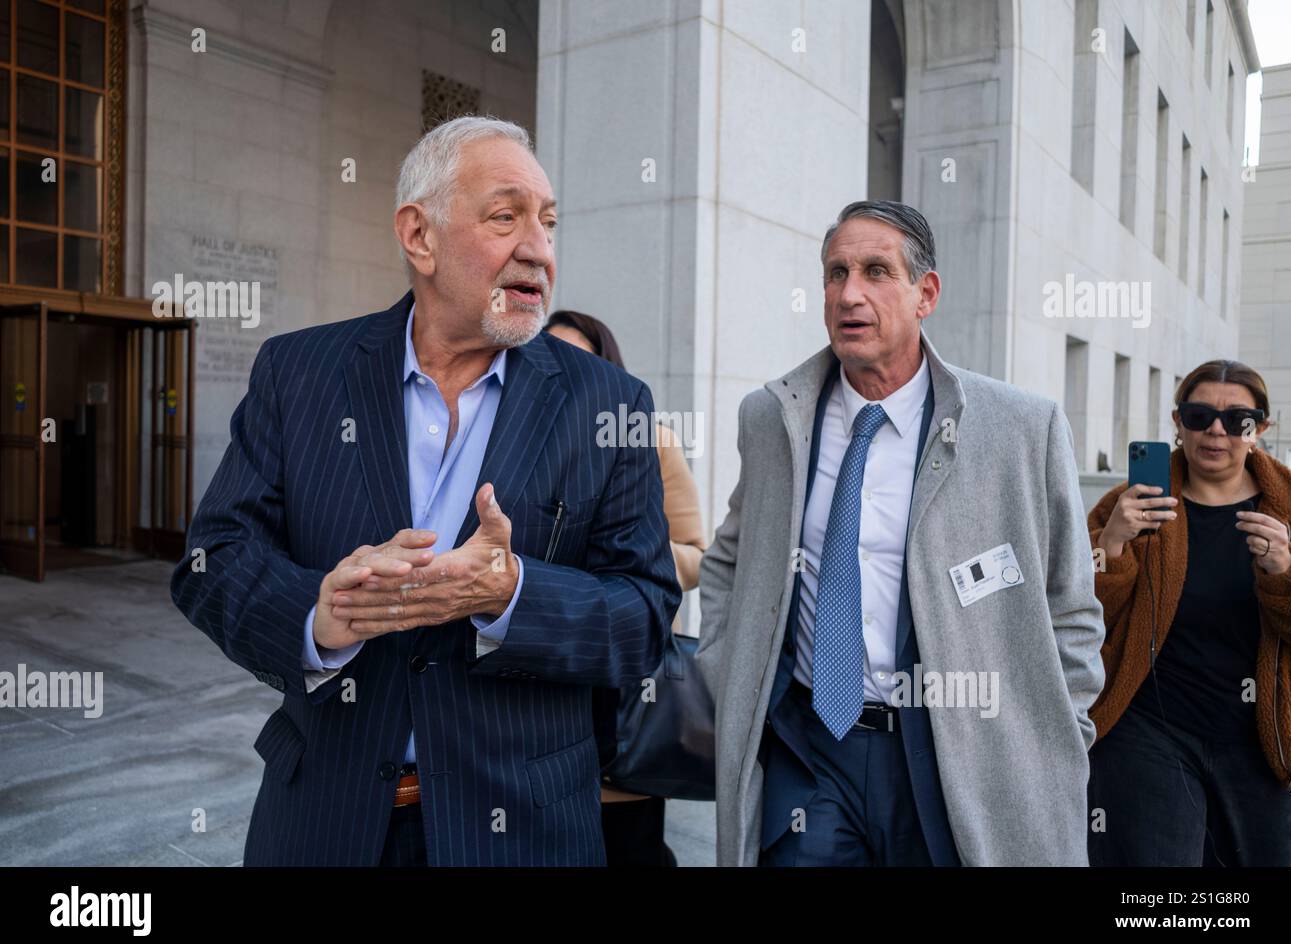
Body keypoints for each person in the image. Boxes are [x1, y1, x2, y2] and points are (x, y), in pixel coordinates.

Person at [170, 116, 680, 867]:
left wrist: (508, 592)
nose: (538, 247)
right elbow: (213, 560)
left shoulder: (610, 403)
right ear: (420, 236)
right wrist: (322, 613)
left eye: (548, 222)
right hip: (325, 824)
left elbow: (644, 617)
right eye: (506, 217)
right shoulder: (299, 373)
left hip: (524, 835)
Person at [697, 199, 1105, 866]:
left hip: (952, 756)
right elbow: (729, 559)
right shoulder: (773, 418)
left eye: (876, 271)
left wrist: (1057, 730)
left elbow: (1071, 605)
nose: (849, 294)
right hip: (809, 750)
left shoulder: (1022, 429)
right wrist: (727, 674)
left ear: (926, 293)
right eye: (835, 274)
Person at [1086, 360, 1291, 866]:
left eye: (1237, 420)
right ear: (1177, 423)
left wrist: (1284, 570)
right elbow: (1081, 614)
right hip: (1150, 728)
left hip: (1261, 735)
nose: (1216, 432)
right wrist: (1112, 543)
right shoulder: (1130, 504)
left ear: (1261, 429)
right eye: (1199, 415)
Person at [544, 310, 708, 867]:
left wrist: (618, 559)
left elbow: (695, 553)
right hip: (542, 677)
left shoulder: (648, 440)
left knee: (628, 844)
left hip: (623, 686)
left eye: (578, 357)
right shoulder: (520, 447)